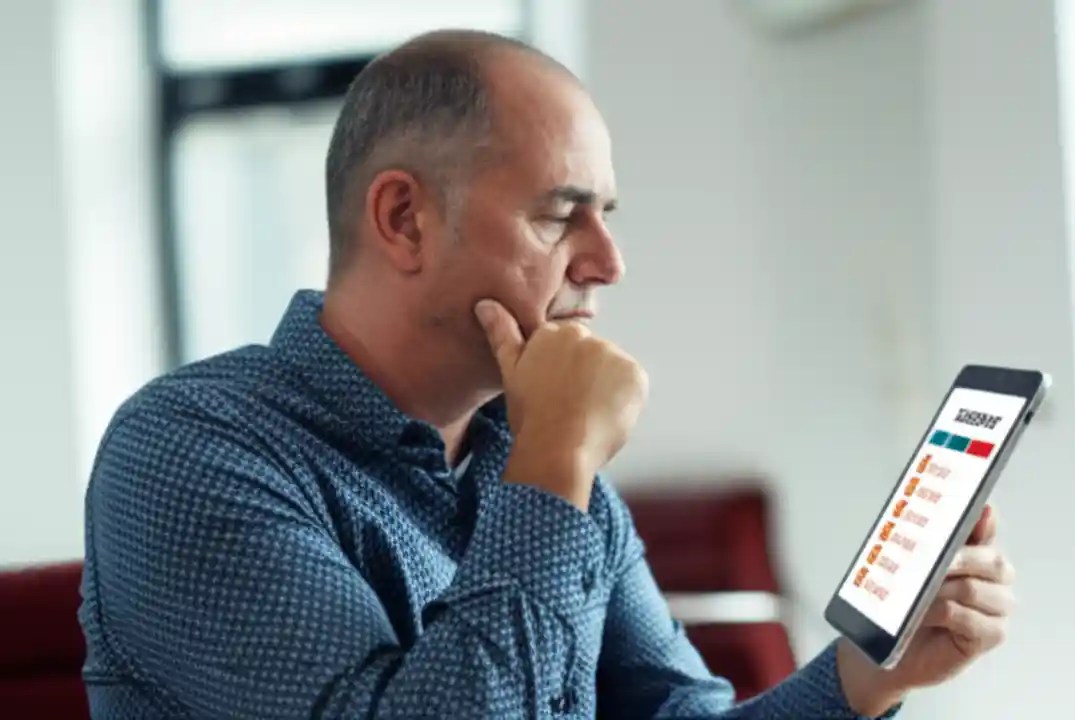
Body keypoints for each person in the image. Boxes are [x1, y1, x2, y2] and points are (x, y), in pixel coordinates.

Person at [79, 29, 1015, 719]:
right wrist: (556, 466)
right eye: (561, 216)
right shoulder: (187, 450)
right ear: (404, 220)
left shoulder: (545, 477)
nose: (609, 262)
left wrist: (870, 676)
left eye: (607, 213)